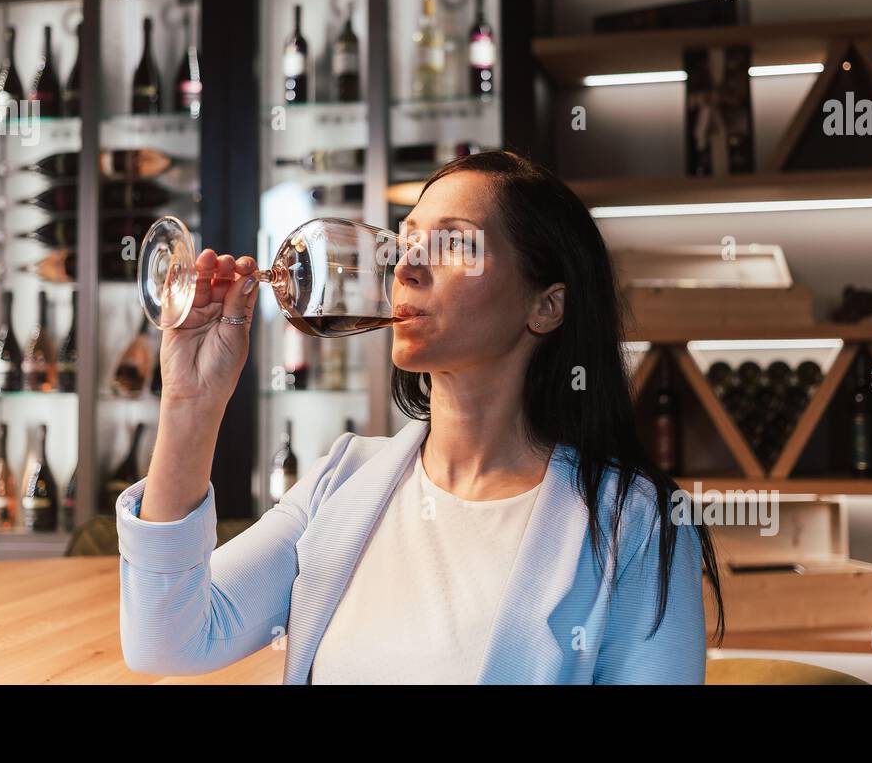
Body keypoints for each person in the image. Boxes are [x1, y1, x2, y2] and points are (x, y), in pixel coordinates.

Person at [117, 149, 723, 683]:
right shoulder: (344, 483)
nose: (405, 268)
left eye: (454, 243)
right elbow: (167, 639)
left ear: (546, 305)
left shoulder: (634, 528)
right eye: (404, 242)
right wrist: (191, 405)